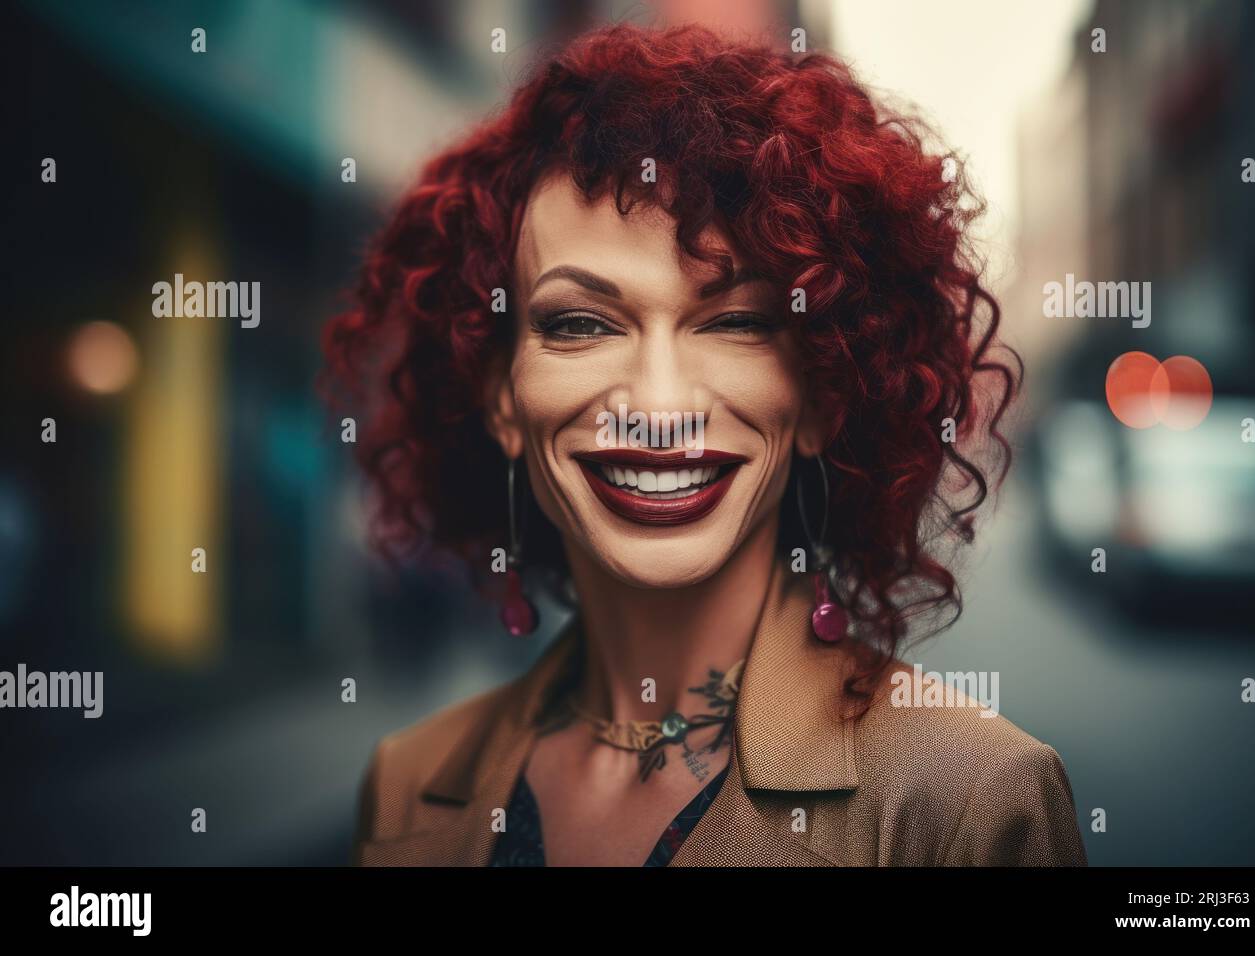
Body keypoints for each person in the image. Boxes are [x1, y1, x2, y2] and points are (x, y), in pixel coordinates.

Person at [322, 22, 1087, 867]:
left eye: (738, 323)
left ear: (822, 398)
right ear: (501, 397)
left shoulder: (970, 807)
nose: (658, 405)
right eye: (579, 324)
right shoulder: (405, 787)